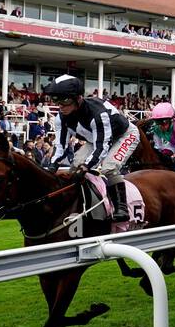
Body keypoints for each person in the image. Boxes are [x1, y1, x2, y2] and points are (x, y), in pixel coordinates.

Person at [44, 73, 139, 223]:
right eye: (56, 100)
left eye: (65, 100)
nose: (60, 106)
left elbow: (102, 148)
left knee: (109, 167)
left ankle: (122, 208)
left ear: (78, 99)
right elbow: (60, 146)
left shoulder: (97, 114)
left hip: (123, 135)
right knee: (75, 165)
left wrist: (86, 167)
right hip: (95, 139)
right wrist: (51, 166)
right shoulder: (60, 118)